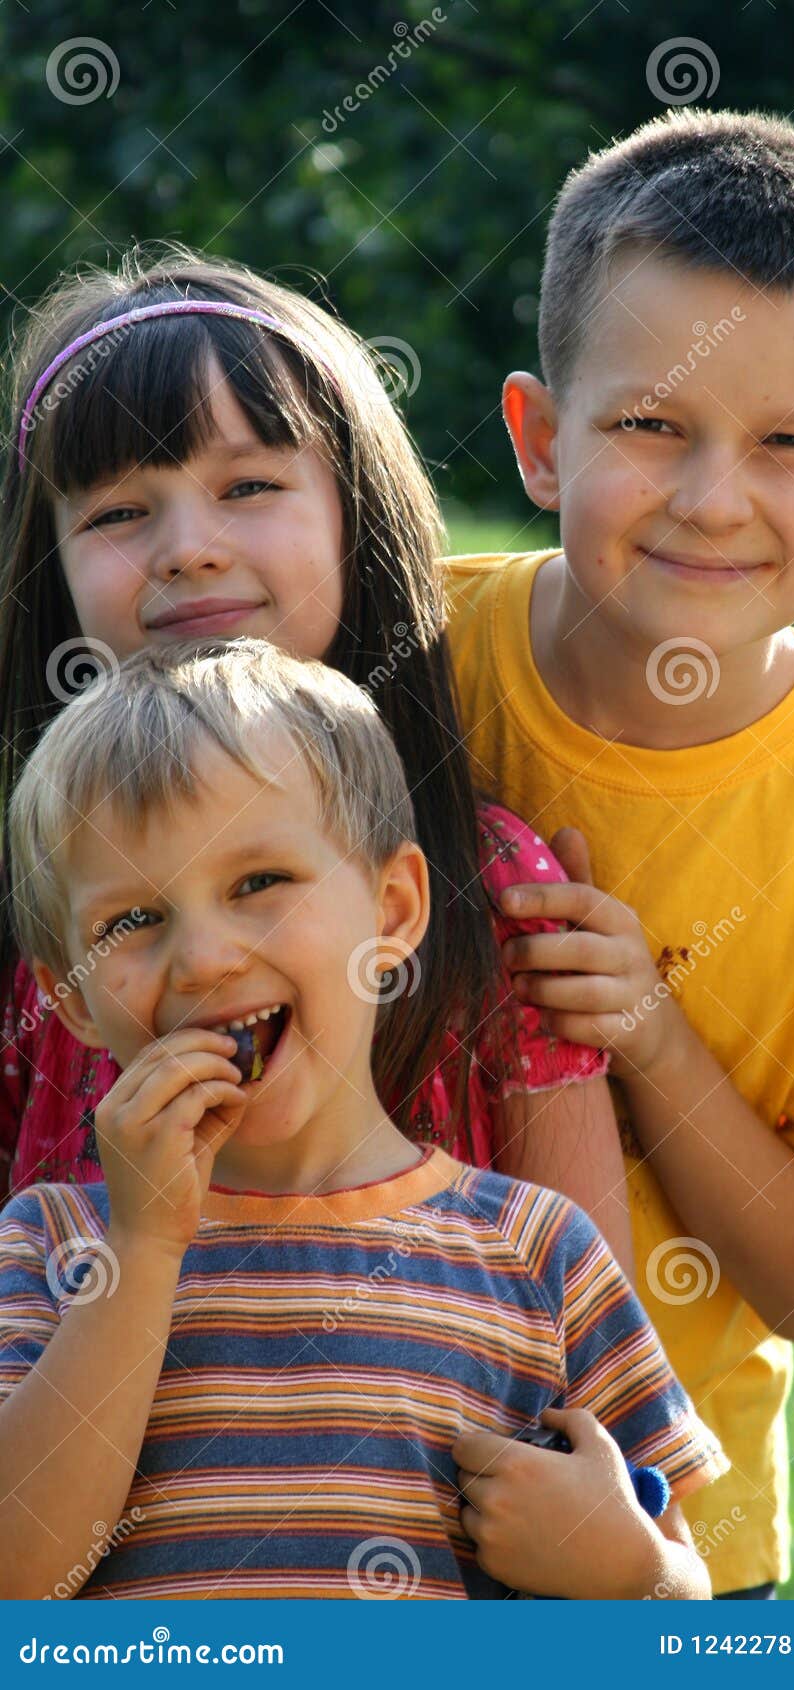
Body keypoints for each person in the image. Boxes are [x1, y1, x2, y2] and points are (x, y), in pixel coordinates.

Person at [442, 107, 794, 1598]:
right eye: (649, 426)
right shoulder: (400, 654)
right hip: (325, 1467)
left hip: (667, 1533)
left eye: (787, 445)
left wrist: (645, 1029)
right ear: (538, 439)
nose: (710, 499)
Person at [0, 638, 726, 1600]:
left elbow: (684, 1618)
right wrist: (141, 1250)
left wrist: (630, 1572)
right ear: (71, 996)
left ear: (391, 911)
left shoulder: (538, 1251)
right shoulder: (49, 1247)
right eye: (131, 922)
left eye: (258, 883)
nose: (205, 958)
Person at [0, 247, 632, 1271]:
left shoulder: (488, 886)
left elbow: (592, 1309)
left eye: (249, 484)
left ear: (356, 514)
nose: (187, 548)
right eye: (116, 512)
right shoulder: (34, 910)